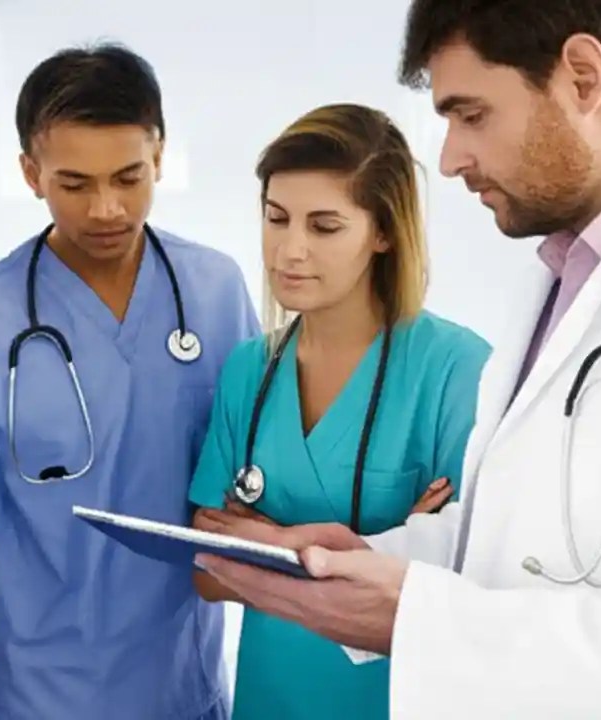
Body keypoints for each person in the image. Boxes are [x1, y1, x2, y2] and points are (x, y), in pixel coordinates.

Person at [195, 2, 601, 717]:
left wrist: (409, 613)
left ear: (583, 76)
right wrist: (377, 557)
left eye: (470, 115)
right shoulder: (564, 274)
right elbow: (516, 536)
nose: (448, 159)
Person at [0, 43, 259, 719]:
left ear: (159, 157)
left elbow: (249, 442)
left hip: (179, 662)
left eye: (129, 177)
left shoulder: (214, 288)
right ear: (30, 173)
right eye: (75, 184)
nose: (106, 208)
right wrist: (48, 558)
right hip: (46, 672)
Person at [188, 104, 490, 719]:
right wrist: (376, 546)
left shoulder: (456, 370)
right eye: (277, 219)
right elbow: (206, 569)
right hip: (270, 696)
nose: (289, 250)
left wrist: (266, 538)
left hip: (398, 699)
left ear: (383, 232)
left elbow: (472, 573)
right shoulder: (250, 368)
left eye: (324, 226)